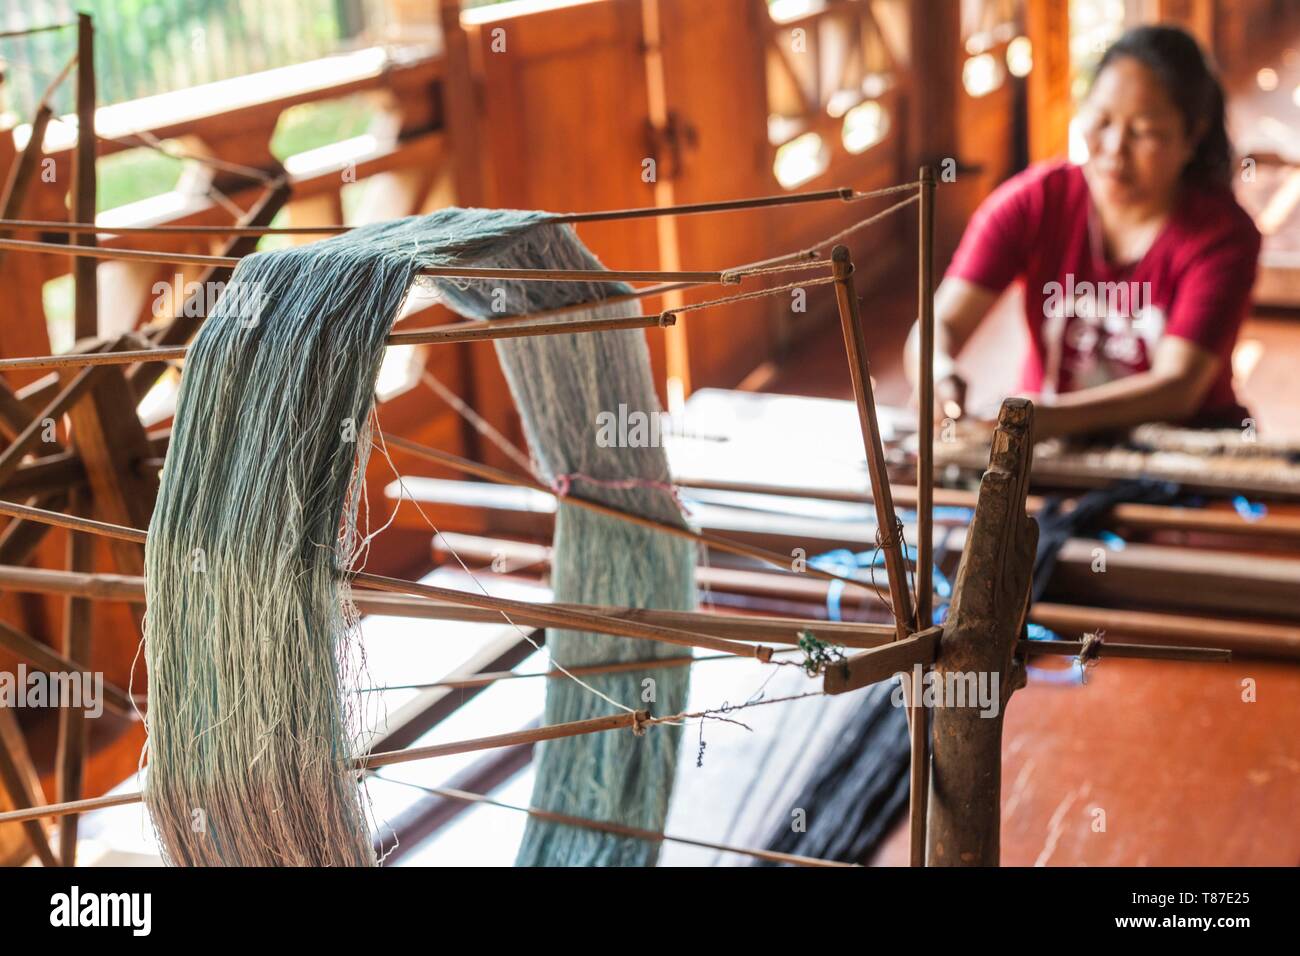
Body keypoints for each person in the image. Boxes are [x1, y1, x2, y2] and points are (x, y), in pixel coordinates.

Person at [905, 24, 1260, 442]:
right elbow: (938, 324)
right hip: (1049, 442)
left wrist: (1032, 420)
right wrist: (938, 374)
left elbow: (1176, 389)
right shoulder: (1033, 202)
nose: (1114, 148)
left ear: (1193, 135)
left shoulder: (1222, 236)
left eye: (1144, 132)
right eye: (1102, 119)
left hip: (1183, 445)